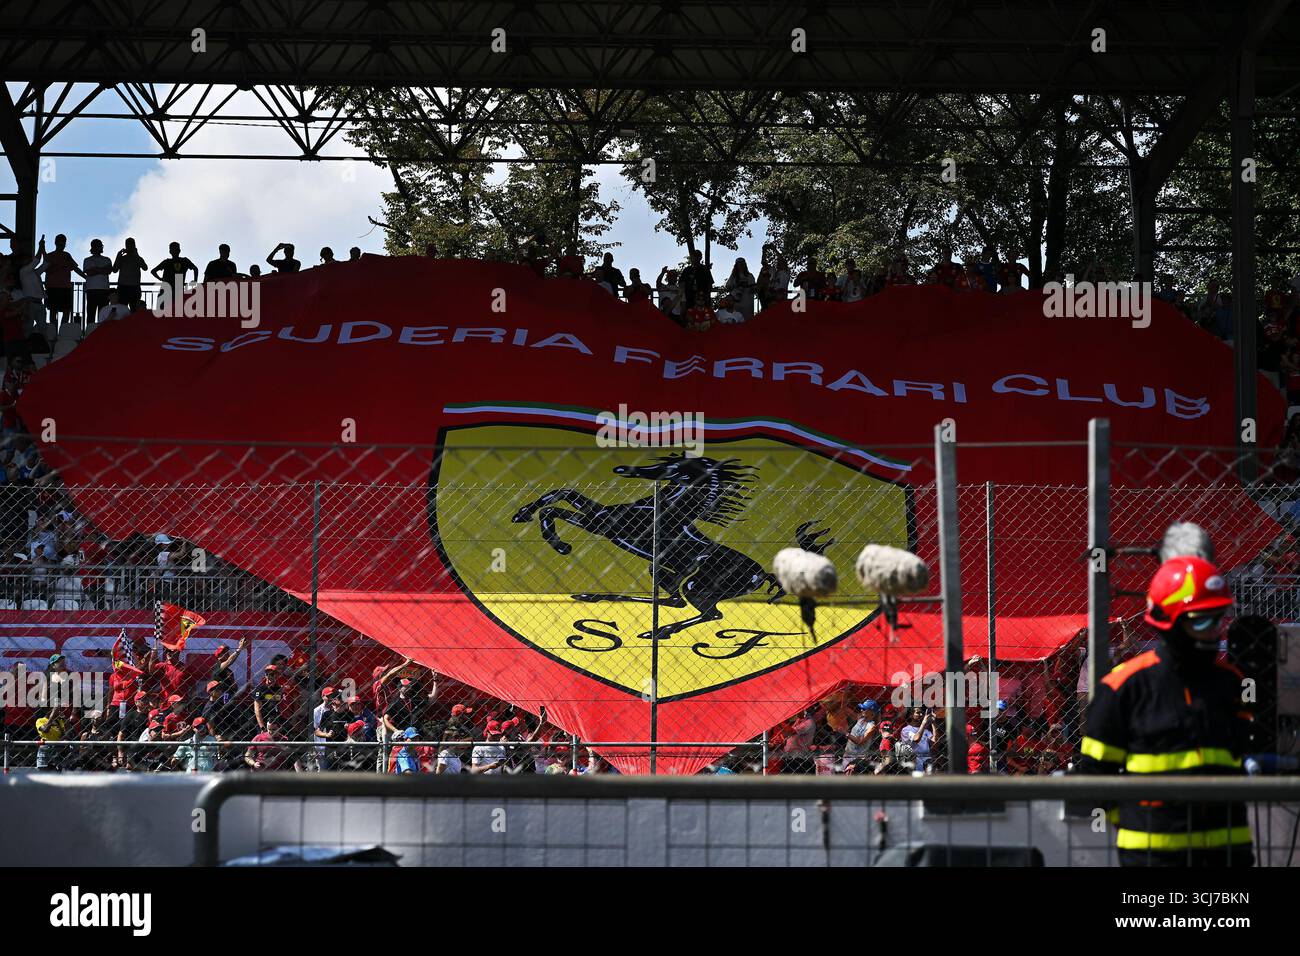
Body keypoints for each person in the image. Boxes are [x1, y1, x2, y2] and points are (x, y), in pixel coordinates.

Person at [1077, 555, 1254, 867]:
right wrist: (1139, 818)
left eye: (1220, 618)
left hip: (1227, 856)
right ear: (1169, 622)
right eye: (1202, 620)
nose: (1215, 631)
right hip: (1153, 859)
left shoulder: (1233, 684)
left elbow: (1242, 758)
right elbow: (1093, 778)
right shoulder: (1124, 688)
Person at [37, 234, 83, 335]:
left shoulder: (67, 255)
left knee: (66, 311)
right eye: (60, 241)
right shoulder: (50, 256)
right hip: (53, 287)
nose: (62, 243)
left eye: (63, 241)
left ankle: (62, 332)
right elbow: (46, 263)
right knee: (53, 311)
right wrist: (42, 248)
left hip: (64, 287)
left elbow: (75, 268)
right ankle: (54, 333)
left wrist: (85, 277)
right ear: (56, 242)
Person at [82, 240, 113, 323]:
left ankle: (102, 334)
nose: (100, 247)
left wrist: (95, 269)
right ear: (93, 247)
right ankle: (90, 333)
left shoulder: (107, 259)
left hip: (104, 290)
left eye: (100, 246)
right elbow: (89, 272)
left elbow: (109, 271)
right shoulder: (87, 260)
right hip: (91, 290)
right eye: (98, 246)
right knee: (91, 315)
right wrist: (102, 269)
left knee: (103, 315)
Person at [112, 238, 148, 306]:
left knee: (134, 311)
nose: (130, 246)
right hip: (123, 287)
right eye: (128, 245)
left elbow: (145, 268)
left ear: (134, 246)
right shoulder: (122, 258)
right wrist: (118, 256)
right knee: (122, 310)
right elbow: (114, 270)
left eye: (131, 244)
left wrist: (136, 255)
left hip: (134, 287)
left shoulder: (138, 258)